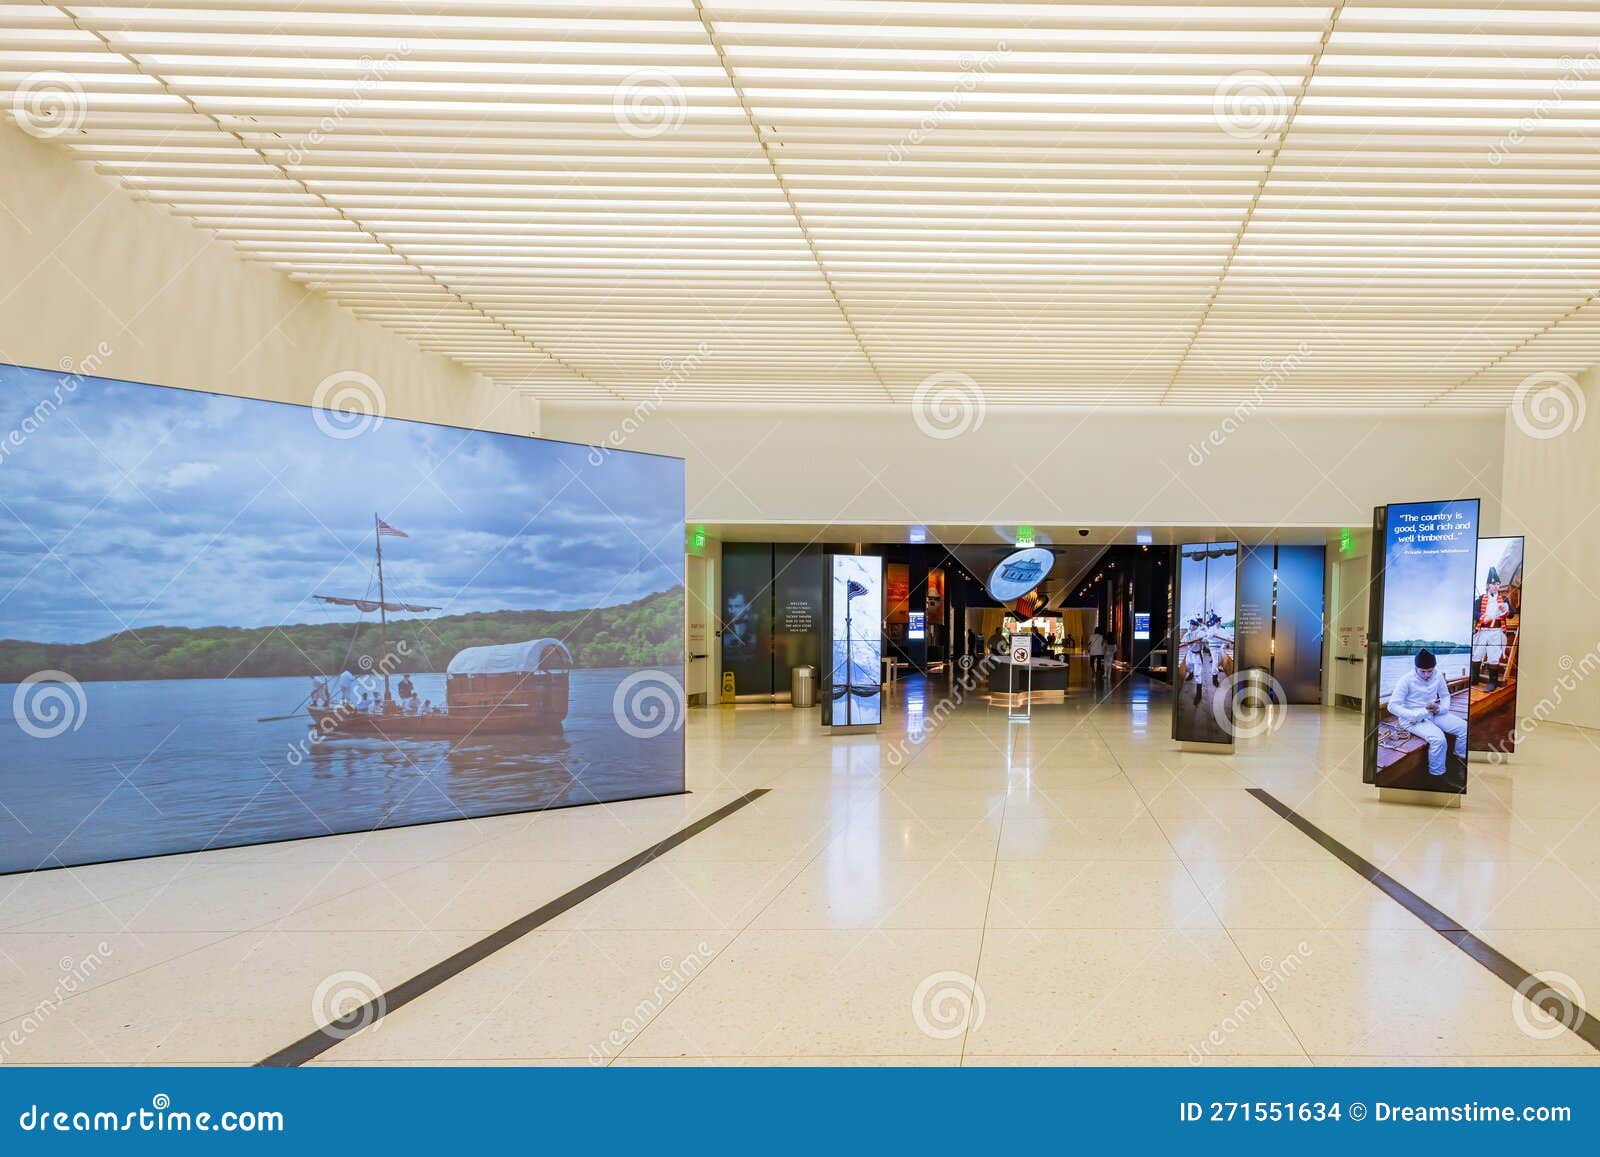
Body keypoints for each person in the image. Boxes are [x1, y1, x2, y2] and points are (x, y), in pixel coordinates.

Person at [1387, 649, 1467, 779]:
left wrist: (1442, 709)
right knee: (1439, 740)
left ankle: (1459, 762)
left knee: (1464, 728)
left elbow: (1445, 695)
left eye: (1430, 671)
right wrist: (1413, 715)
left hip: (1434, 713)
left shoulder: (1438, 675)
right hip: (1413, 718)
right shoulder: (1406, 680)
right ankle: (1437, 776)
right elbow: (1392, 706)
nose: (1427, 674)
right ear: (1416, 667)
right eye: (1423, 671)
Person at [1471, 570, 1511, 691]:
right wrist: (1483, 617)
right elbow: (1474, 612)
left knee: (1494, 656)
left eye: (1498, 584)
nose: (1495, 586)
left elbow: (1511, 615)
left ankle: (1492, 683)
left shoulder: (1503, 599)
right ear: (1488, 585)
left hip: (1496, 631)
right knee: (1477, 655)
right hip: (1482, 631)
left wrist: (1505, 609)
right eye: (1493, 584)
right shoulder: (1481, 599)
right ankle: (1474, 679)